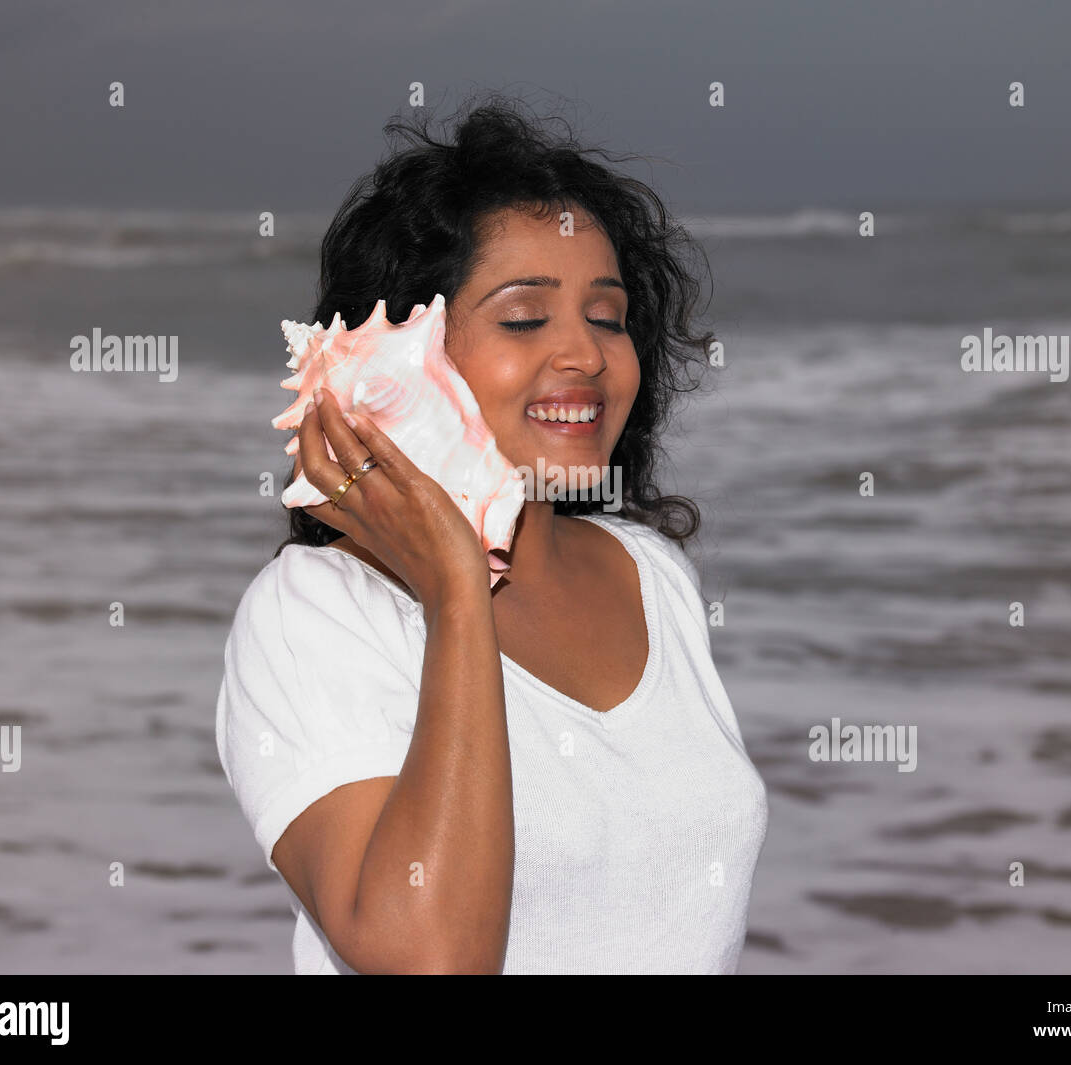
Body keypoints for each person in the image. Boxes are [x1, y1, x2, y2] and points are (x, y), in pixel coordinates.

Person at [215, 93, 768, 974]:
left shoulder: (651, 573)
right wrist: (456, 591)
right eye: (523, 318)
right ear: (411, 353)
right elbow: (429, 954)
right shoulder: (315, 614)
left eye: (608, 315)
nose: (585, 354)